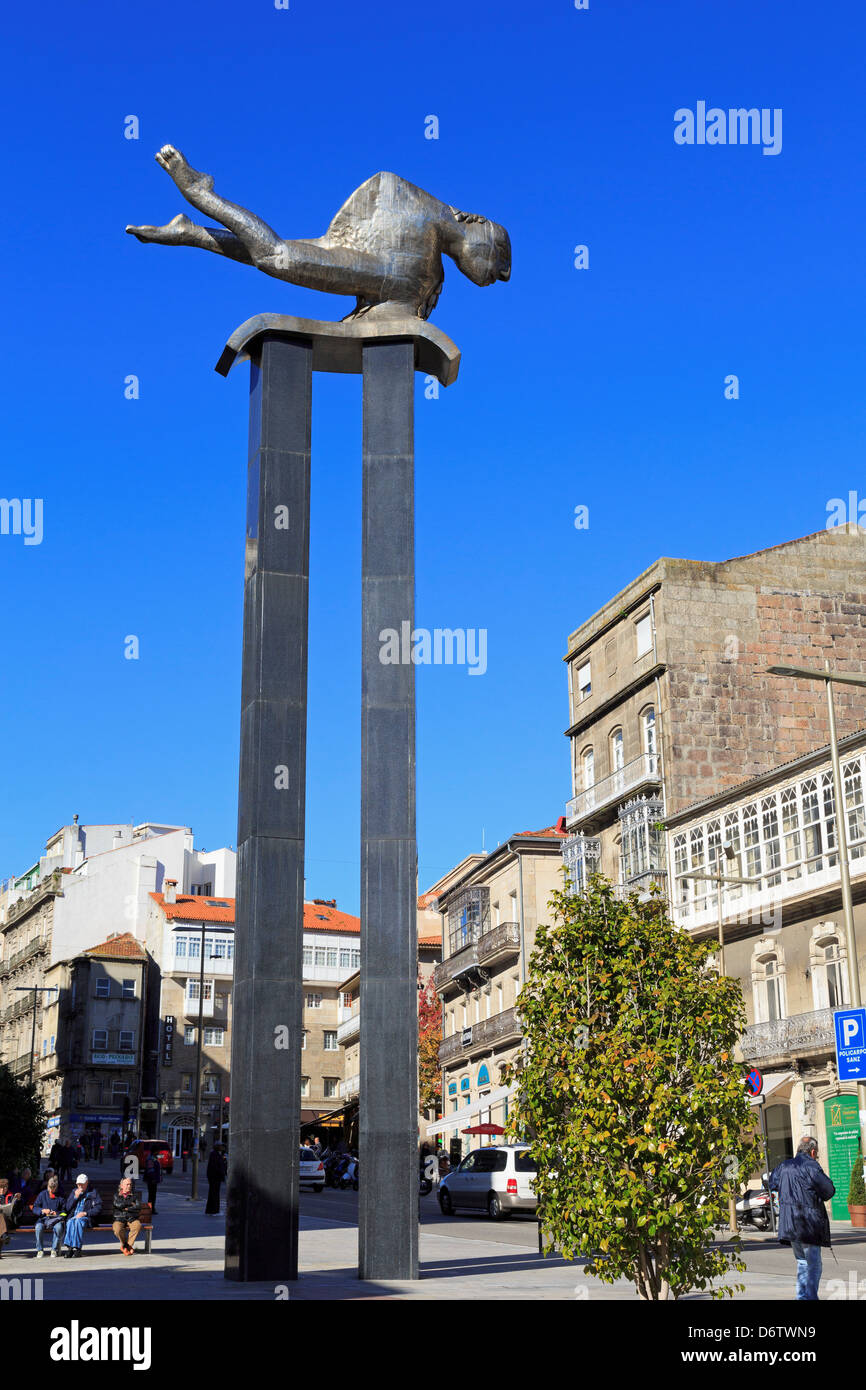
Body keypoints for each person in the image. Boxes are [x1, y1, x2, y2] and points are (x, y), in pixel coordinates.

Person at [770, 1136, 836, 1300]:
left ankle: (802, 1297)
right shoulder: (811, 1166)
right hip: (808, 1225)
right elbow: (829, 1190)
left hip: (790, 1224)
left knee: (802, 1262)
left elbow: (771, 1183)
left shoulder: (783, 1166)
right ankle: (809, 1298)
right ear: (813, 1152)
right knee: (814, 1265)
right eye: (817, 1154)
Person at [61, 1174, 102, 1258]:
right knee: (70, 1222)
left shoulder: (93, 1192)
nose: (80, 1186)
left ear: (87, 1183)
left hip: (87, 1217)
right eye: (78, 1184)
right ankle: (70, 1248)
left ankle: (77, 1248)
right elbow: (67, 1208)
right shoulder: (74, 1192)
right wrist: (75, 1197)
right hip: (74, 1217)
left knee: (78, 1221)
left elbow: (98, 1208)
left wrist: (85, 1213)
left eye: (82, 1184)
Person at [32, 1175, 67, 1258]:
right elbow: (35, 1208)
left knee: (59, 1228)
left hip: (55, 1219)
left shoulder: (60, 1197)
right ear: (47, 1186)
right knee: (38, 1228)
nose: (51, 1190)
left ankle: (54, 1249)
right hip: (43, 1218)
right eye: (50, 1187)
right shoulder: (42, 1194)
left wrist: (57, 1213)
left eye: (53, 1188)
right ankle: (40, 1250)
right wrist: (42, 1211)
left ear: (56, 1187)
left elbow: (65, 1212)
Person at [112, 1177, 143, 1256]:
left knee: (137, 1226)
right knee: (117, 1229)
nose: (129, 1186)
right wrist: (130, 1203)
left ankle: (126, 1246)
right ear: (121, 1185)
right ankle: (127, 1246)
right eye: (127, 1184)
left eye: (130, 1184)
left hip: (131, 1217)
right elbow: (118, 1205)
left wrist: (127, 1208)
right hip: (120, 1217)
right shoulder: (116, 1195)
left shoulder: (135, 1196)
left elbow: (138, 1207)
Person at [0, 1178, 22, 1257]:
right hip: (2, 1225)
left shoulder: (11, 1196)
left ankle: (4, 1235)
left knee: (1, 1217)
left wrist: (18, 1200)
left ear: (7, 1187)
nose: (2, 1190)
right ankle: (4, 1235)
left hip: (10, 1221)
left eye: (4, 1188)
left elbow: (18, 1210)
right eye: (0, 1188)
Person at [205, 1144, 227, 1215]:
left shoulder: (215, 1154)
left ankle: (211, 1209)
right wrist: (221, 1174)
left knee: (213, 1193)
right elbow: (217, 1167)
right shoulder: (215, 1155)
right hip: (215, 1177)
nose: (222, 1148)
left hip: (214, 1177)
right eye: (221, 1147)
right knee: (214, 1194)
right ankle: (214, 1210)